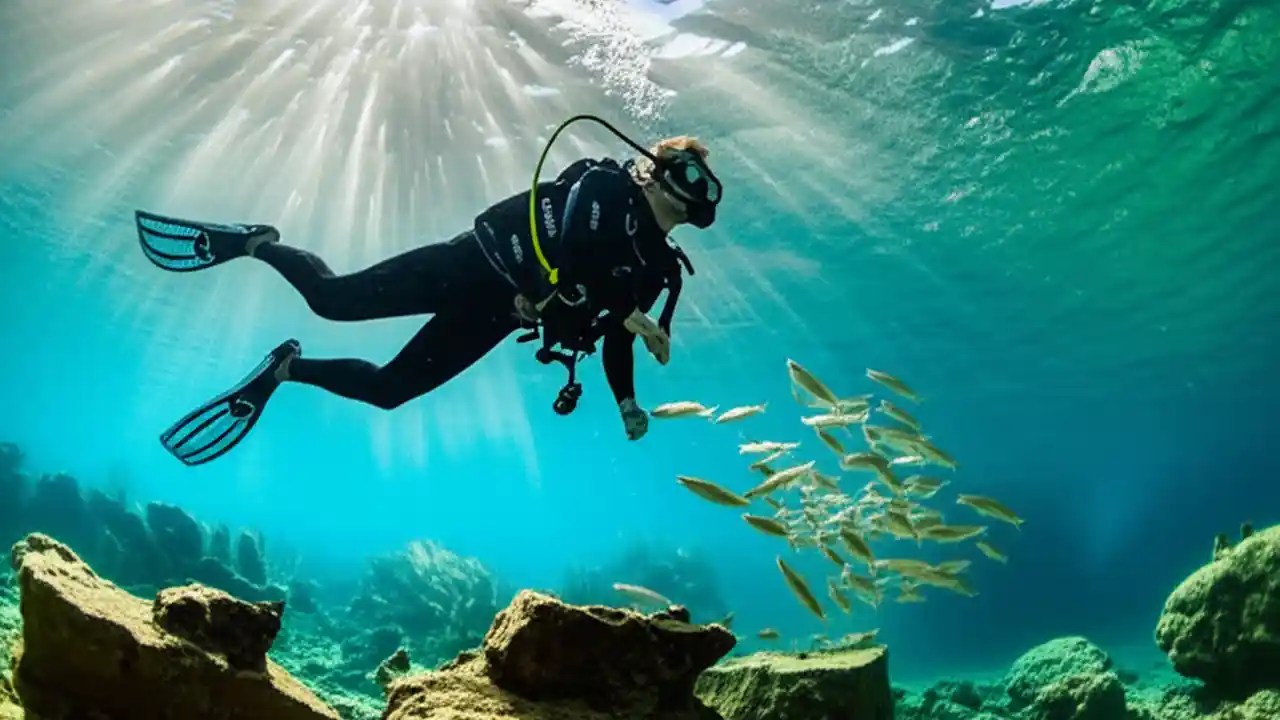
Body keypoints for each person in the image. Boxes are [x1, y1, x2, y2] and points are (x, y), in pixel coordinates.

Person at [136, 130, 722, 466]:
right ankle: (257, 244)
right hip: (470, 265)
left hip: (496, 313)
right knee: (332, 301)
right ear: (653, 171)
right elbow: (574, 244)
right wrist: (627, 313)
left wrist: (627, 402)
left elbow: (619, 338)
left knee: (392, 392)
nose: (701, 189)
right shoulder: (605, 187)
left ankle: (286, 369)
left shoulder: (655, 269)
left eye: (707, 183)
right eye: (691, 172)